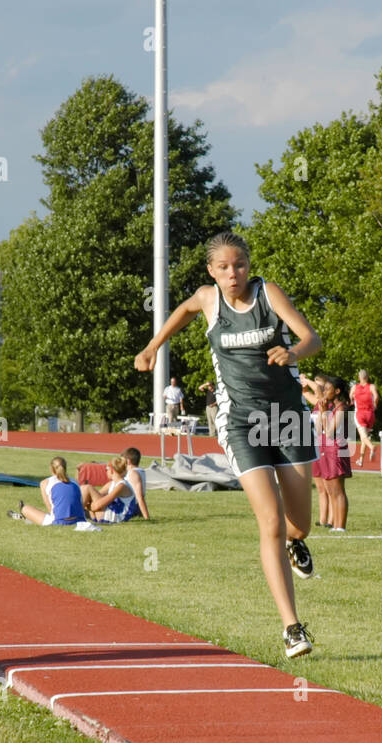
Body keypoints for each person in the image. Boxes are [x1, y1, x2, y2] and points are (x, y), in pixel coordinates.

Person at [135, 230, 321, 658]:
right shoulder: (207, 299)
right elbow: (182, 310)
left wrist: (295, 354)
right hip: (240, 421)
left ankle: (297, 543)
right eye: (223, 267)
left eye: (239, 265)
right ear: (211, 271)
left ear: (248, 266)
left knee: (299, 525)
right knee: (270, 521)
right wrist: (152, 348)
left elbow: (312, 338)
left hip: (288, 417)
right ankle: (292, 628)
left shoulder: (269, 295)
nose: (232, 273)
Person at [9, 456, 89, 527]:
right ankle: (27, 519)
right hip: (80, 520)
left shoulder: (45, 483)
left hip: (58, 521)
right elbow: (80, 506)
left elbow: (51, 510)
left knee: (26, 509)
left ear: (51, 468)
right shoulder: (75, 482)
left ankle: (26, 517)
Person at [319, 374, 352, 531]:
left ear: (337, 391)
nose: (324, 392)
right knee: (330, 490)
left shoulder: (342, 408)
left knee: (338, 491)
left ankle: (341, 526)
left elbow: (331, 433)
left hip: (337, 450)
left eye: (327, 389)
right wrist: (323, 411)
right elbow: (322, 429)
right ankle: (335, 525)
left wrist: (325, 412)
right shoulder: (332, 408)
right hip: (327, 449)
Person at [300, 373, 331, 528]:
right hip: (316, 445)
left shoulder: (326, 403)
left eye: (319, 385)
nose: (316, 387)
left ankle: (332, 519)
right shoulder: (316, 404)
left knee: (329, 487)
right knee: (320, 487)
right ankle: (323, 519)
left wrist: (309, 381)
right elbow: (305, 392)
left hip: (327, 446)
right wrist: (303, 382)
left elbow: (317, 390)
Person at [81, 456, 144, 523]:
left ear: (111, 470)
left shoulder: (122, 486)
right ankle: (74, 514)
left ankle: (74, 515)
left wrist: (88, 506)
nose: (106, 472)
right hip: (109, 513)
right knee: (86, 490)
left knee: (87, 488)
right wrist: (89, 504)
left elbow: (97, 506)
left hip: (115, 517)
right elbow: (93, 498)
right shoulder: (112, 484)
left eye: (106, 469)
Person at [351, 370, 379, 467]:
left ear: (359, 377)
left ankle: (372, 446)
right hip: (370, 414)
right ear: (368, 377)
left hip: (360, 414)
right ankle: (361, 460)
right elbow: (376, 396)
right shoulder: (371, 386)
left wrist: (352, 400)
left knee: (363, 437)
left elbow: (350, 397)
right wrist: (375, 404)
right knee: (365, 438)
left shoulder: (354, 387)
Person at [121, 447, 151, 519]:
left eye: (121, 460)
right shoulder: (140, 471)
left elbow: (139, 497)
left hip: (128, 508)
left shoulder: (133, 473)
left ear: (128, 461)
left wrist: (147, 517)